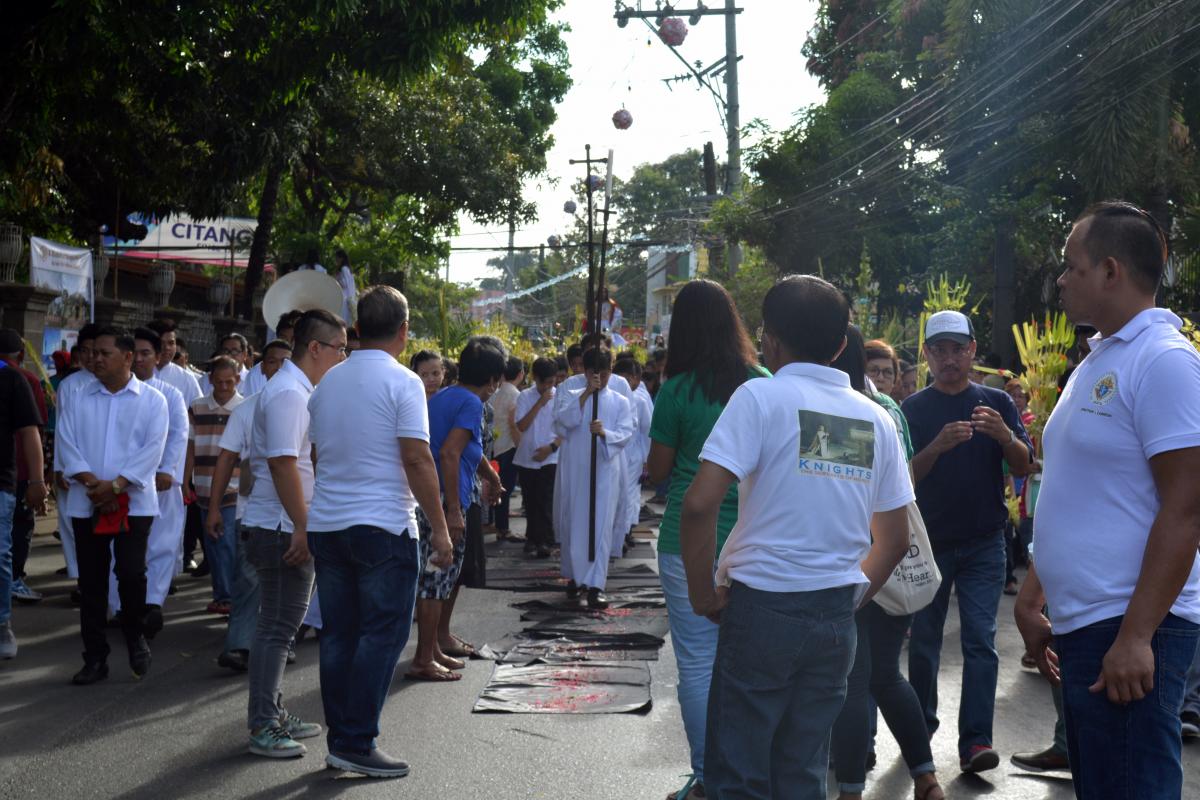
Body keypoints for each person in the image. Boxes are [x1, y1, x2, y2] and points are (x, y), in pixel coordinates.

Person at [679, 275, 912, 800]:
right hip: (835, 616)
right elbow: (893, 538)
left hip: (762, 608)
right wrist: (848, 598)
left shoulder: (761, 397)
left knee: (738, 772)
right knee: (803, 770)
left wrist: (701, 595)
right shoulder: (876, 418)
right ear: (838, 345)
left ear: (769, 339)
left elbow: (698, 504)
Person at [1015, 201, 1200, 798]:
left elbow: (1187, 507)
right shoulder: (1103, 360)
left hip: (1131, 625)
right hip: (1089, 624)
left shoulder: (1165, 362)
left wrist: (1138, 636)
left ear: (1111, 271)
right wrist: (1036, 595)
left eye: (1072, 266)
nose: (1062, 280)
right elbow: (1084, 494)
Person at [307, 286, 453, 777]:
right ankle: (354, 740)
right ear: (404, 331)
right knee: (381, 635)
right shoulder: (405, 381)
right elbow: (416, 457)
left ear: (356, 329)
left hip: (328, 524)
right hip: (383, 527)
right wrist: (440, 528)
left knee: (340, 636)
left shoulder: (327, 382)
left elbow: (316, 455)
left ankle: (342, 738)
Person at [644, 279, 768, 800]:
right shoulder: (761, 383)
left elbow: (658, 472)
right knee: (749, 666)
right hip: (753, 541)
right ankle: (747, 775)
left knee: (696, 663)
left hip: (684, 539)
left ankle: (707, 780)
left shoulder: (676, 390)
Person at [902, 309, 1034, 773]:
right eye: (940, 350)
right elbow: (902, 481)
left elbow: (1023, 466)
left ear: (973, 351)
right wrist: (936, 447)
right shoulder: (913, 410)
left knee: (981, 641)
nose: (950, 359)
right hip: (930, 544)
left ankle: (975, 742)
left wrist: (1003, 436)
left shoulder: (996, 402)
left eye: (958, 349)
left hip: (984, 541)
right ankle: (919, 731)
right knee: (924, 644)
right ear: (927, 355)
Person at [830, 326, 944, 800]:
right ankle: (926, 776)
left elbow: (847, 492)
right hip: (892, 557)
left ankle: (852, 791)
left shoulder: (849, 411)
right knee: (885, 675)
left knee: (854, 680)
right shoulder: (890, 409)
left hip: (857, 558)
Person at [242, 309, 345, 757]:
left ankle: (272, 713)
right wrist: (303, 527)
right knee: (277, 629)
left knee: (279, 628)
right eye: (340, 350)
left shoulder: (297, 389)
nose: (343, 358)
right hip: (280, 526)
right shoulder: (287, 393)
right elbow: (283, 464)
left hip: (284, 523)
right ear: (316, 349)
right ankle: (263, 725)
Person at [57, 327, 168, 684]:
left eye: (104, 353)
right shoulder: (77, 396)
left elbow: (152, 450)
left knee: (132, 574)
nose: (96, 359)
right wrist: (95, 485)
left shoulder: (153, 400)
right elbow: (67, 444)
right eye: (93, 353)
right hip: (86, 500)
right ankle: (95, 657)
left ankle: (135, 635)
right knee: (91, 583)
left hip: (134, 503)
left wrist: (117, 486)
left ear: (127, 357)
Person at [408, 339, 504, 681]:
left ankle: (432, 647)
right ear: (492, 379)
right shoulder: (470, 402)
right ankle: (423, 656)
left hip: (437, 495)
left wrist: (491, 478)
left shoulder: (450, 394)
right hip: (443, 499)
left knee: (443, 577)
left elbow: (468, 450)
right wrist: (452, 510)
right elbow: (450, 453)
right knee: (437, 577)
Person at [205, 339, 291, 672]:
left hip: (301, 514)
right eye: (272, 362)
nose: (279, 367)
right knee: (248, 580)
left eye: (286, 361)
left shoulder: (311, 404)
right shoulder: (246, 409)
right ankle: (239, 644)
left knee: (289, 584)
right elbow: (226, 458)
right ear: (261, 367)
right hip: (253, 511)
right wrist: (214, 508)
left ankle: (282, 643)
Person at [114, 328, 189, 639]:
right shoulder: (115, 392)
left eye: (147, 353)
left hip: (160, 483)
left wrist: (168, 470)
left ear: (159, 357)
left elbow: (178, 434)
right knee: (122, 547)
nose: (141, 359)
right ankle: (122, 606)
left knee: (161, 544)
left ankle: (152, 604)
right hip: (121, 484)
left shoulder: (170, 395)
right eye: (136, 353)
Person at [554, 346, 634, 610]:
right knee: (575, 521)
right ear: (587, 373)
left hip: (604, 470)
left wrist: (605, 434)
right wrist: (587, 393)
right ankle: (576, 578)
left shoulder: (620, 401)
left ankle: (597, 584)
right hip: (577, 469)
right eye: (596, 373)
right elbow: (562, 421)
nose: (603, 378)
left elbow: (626, 431)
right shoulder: (573, 395)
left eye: (607, 373)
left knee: (601, 524)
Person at [186, 356, 244, 614]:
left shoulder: (244, 408)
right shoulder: (197, 407)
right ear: (210, 381)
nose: (223, 387)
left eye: (229, 382)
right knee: (212, 545)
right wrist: (186, 480)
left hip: (234, 488)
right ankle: (223, 594)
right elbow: (189, 446)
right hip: (204, 486)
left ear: (238, 380)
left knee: (227, 542)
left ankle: (228, 597)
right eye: (218, 382)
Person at [0, 351, 46, 659]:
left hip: (0, 481)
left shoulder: (12, 378)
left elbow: (30, 432)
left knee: (0, 552)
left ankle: (1, 623)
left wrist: (37, 480)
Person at [52, 323, 102, 582]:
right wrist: (60, 467)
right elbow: (62, 429)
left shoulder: (115, 383)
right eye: (86, 351)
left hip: (106, 470)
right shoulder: (70, 385)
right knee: (73, 524)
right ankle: (82, 578)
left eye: (99, 351)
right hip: (74, 466)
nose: (93, 358)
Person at [513, 357, 560, 559]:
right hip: (527, 458)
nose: (549, 387)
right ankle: (532, 538)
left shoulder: (560, 396)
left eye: (552, 382)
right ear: (535, 379)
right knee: (530, 501)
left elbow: (565, 428)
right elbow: (521, 425)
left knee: (546, 500)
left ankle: (546, 541)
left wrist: (551, 448)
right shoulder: (525, 396)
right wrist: (540, 403)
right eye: (545, 383)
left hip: (550, 457)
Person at [490, 356, 524, 543]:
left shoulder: (496, 392)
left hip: (497, 445)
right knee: (505, 488)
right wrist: (520, 445)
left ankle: (499, 526)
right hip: (510, 445)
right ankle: (503, 529)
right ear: (521, 374)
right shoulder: (516, 394)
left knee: (499, 486)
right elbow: (514, 424)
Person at [146, 319, 202, 408]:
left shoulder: (187, 379)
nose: (167, 348)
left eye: (171, 343)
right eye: (161, 343)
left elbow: (199, 411)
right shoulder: (136, 374)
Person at [333, 248, 357, 324]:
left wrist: (335, 279)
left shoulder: (344, 269)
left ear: (341, 258)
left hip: (345, 298)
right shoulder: (347, 268)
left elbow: (345, 284)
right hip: (347, 297)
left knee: (344, 318)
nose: (336, 260)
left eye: (337, 258)